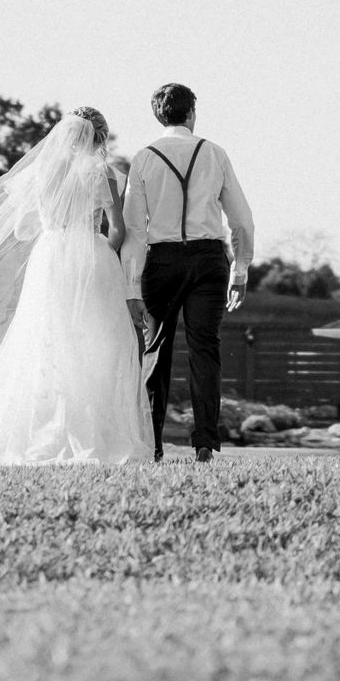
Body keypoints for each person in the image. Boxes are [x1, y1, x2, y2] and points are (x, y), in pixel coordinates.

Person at [0, 109, 154, 467]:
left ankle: (31, 433)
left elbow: (25, 228)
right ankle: (93, 433)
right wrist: (102, 250)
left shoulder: (38, 171)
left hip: (49, 257)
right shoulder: (100, 172)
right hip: (90, 257)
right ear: (99, 137)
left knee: (41, 341)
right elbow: (118, 229)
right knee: (97, 343)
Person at [123, 83, 255, 462]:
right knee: (205, 351)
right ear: (192, 112)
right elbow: (241, 219)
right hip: (209, 260)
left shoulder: (144, 159)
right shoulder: (214, 153)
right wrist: (240, 270)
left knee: (155, 350)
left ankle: (153, 446)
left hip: (161, 261)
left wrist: (132, 285)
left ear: (158, 115)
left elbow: (134, 230)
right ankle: (204, 444)